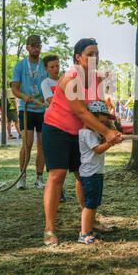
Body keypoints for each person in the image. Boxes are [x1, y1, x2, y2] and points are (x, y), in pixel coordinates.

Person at [42, 38, 122, 247]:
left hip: (80, 132)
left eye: (97, 53)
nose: (95, 57)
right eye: (90, 54)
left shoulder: (96, 79)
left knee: (83, 174)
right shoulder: (70, 79)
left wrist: (110, 126)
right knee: (57, 176)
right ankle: (49, 229)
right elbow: (80, 111)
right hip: (56, 129)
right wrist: (105, 132)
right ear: (78, 57)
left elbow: (96, 108)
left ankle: (90, 221)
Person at [78, 101, 121, 244]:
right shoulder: (87, 133)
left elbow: (104, 137)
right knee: (90, 205)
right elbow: (97, 150)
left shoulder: (93, 132)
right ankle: (84, 234)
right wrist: (110, 143)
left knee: (94, 204)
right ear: (92, 118)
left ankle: (89, 230)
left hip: (96, 173)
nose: (103, 125)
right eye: (101, 122)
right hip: (90, 174)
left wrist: (111, 133)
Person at [11, 35, 48, 190]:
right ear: (27, 47)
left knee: (42, 145)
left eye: (38, 45)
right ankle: (22, 176)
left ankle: (39, 178)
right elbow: (15, 88)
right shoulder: (20, 66)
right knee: (27, 144)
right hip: (25, 110)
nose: (36, 48)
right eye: (33, 46)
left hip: (42, 109)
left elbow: (50, 85)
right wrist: (23, 96)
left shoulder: (45, 65)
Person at [41, 54, 66, 203]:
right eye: (52, 67)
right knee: (56, 164)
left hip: (67, 124)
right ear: (46, 68)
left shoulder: (65, 79)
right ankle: (58, 191)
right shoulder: (45, 83)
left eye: (57, 65)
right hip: (53, 124)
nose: (55, 69)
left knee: (65, 162)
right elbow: (51, 101)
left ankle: (61, 189)